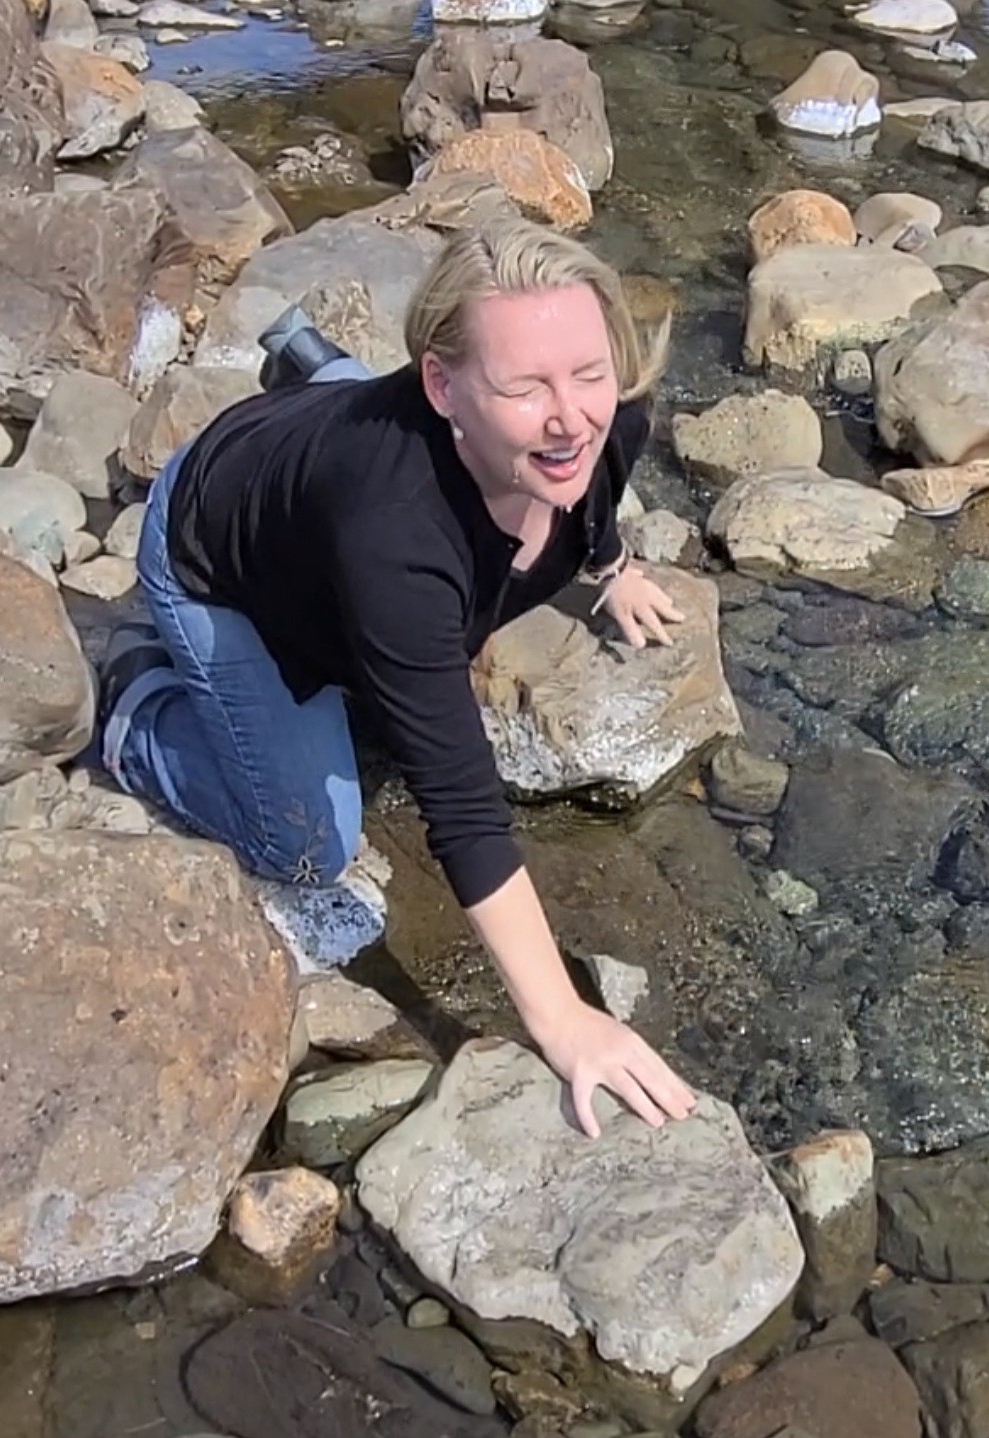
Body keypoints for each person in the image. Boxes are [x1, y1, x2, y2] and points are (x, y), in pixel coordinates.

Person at [96, 214, 696, 1139]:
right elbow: (461, 805)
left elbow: (589, 472)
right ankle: (133, 707)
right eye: (525, 386)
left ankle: (317, 371)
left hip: (338, 452)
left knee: (463, 440)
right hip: (213, 548)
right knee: (308, 848)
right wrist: (564, 1019)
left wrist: (611, 569)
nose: (572, 415)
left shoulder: (606, 409)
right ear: (442, 384)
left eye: (587, 373)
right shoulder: (394, 539)